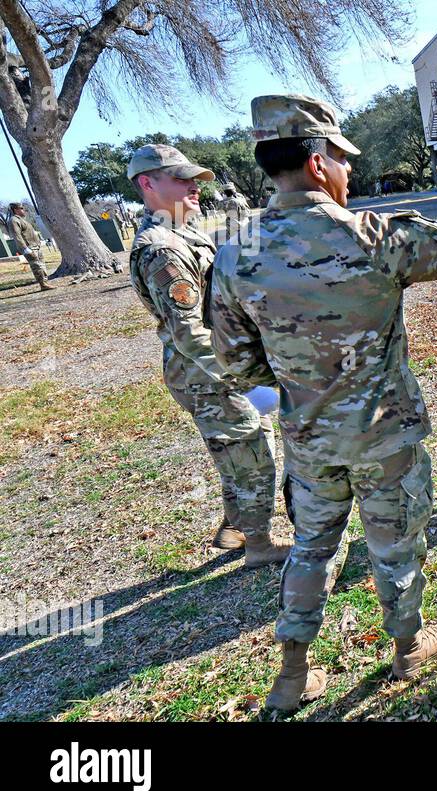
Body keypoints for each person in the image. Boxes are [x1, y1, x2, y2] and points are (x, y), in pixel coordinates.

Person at [206, 94, 437, 712]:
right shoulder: (371, 235)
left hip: (309, 439)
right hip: (383, 434)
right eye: (342, 160)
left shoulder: (235, 249)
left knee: (314, 546)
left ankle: (292, 673)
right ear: (318, 161)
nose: (348, 172)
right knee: (395, 542)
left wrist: (298, 388)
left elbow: (237, 364)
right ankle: (407, 645)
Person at [125, 144, 288, 567]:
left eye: (194, 179)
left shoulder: (184, 231)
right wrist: (243, 377)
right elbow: (189, 332)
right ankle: (258, 546)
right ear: (148, 184)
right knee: (253, 456)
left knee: (239, 449)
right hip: (208, 375)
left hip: (215, 370)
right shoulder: (162, 248)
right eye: (181, 179)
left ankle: (234, 530)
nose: (194, 187)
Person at [4, 202, 52, 291]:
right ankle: (43, 284)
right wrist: (26, 249)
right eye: (21, 208)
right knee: (36, 266)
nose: (24, 210)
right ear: (15, 210)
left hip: (35, 246)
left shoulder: (22, 219)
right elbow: (17, 236)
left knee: (41, 265)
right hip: (29, 247)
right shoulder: (14, 220)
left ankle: (45, 282)